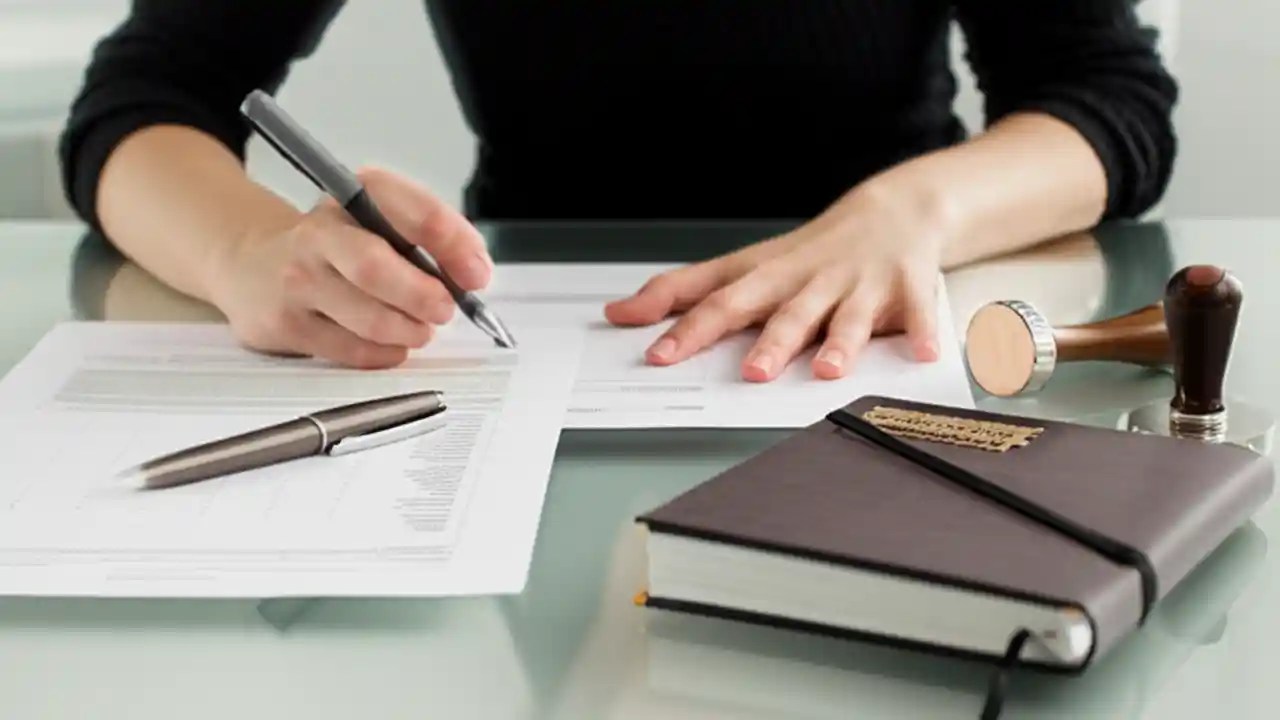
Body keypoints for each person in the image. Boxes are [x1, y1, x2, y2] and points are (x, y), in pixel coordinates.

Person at [59, 2, 1177, 382]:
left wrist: (909, 214)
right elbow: (148, 96)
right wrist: (246, 252)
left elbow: (1103, 96)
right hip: (543, 352)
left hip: (886, 335)